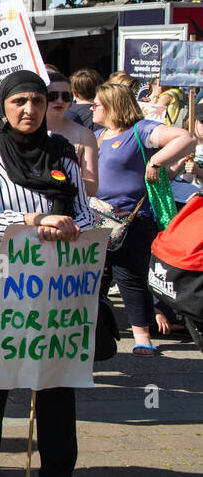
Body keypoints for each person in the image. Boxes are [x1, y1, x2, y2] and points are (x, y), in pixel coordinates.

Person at [0, 70, 98, 477]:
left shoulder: (62, 153)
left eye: (38, 101)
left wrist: (71, 226)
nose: (30, 110)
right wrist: (35, 223)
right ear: (3, 105)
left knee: (54, 382)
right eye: (20, 101)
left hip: (50, 287)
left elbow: (86, 215)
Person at [93, 82, 195, 355]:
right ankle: (96, 332)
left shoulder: (141, 130)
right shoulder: (98, 135)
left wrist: (156, 161)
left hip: (133, 219)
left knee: (129, 276)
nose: (92, 107)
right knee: (95, 278)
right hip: (98, 218)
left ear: (112, 106)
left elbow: (186, 138)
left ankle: (142, 336)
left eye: (98, 104)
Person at [44, 68, 98, 195]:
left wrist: (59, 179)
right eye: (53, 96)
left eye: (66, 96)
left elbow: (92, 187)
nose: (60, 101)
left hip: (70, 207)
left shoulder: (84, 135)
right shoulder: (28, 130)